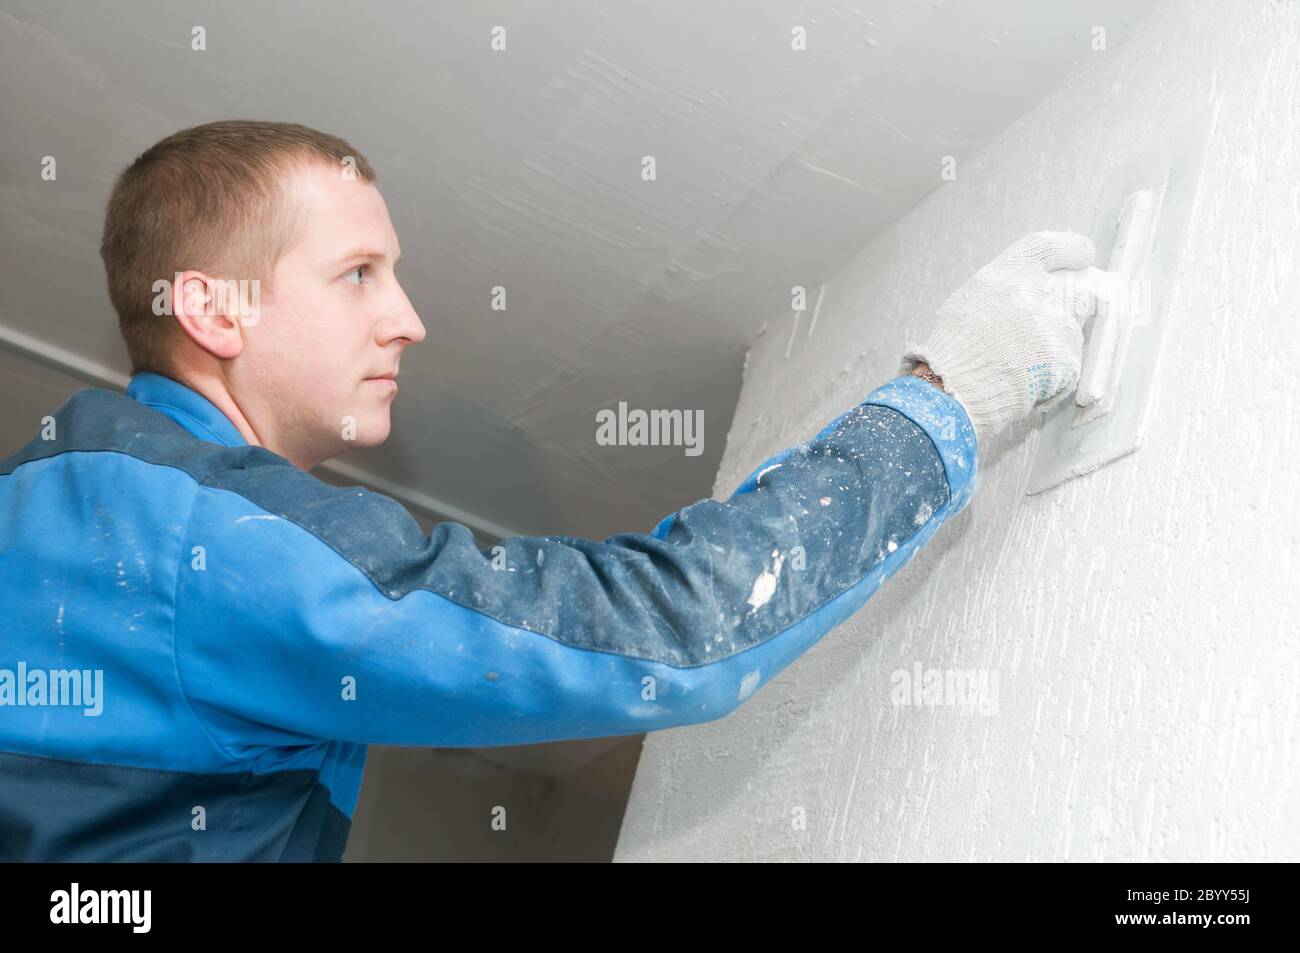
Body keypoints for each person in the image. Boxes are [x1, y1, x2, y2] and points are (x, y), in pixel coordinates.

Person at [0, 120, 1095, 861]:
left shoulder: (81, 511)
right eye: (355, 275)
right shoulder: (182, 526)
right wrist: (944, 403)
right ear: (215, 309)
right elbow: (665, 635)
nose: (408, 319)